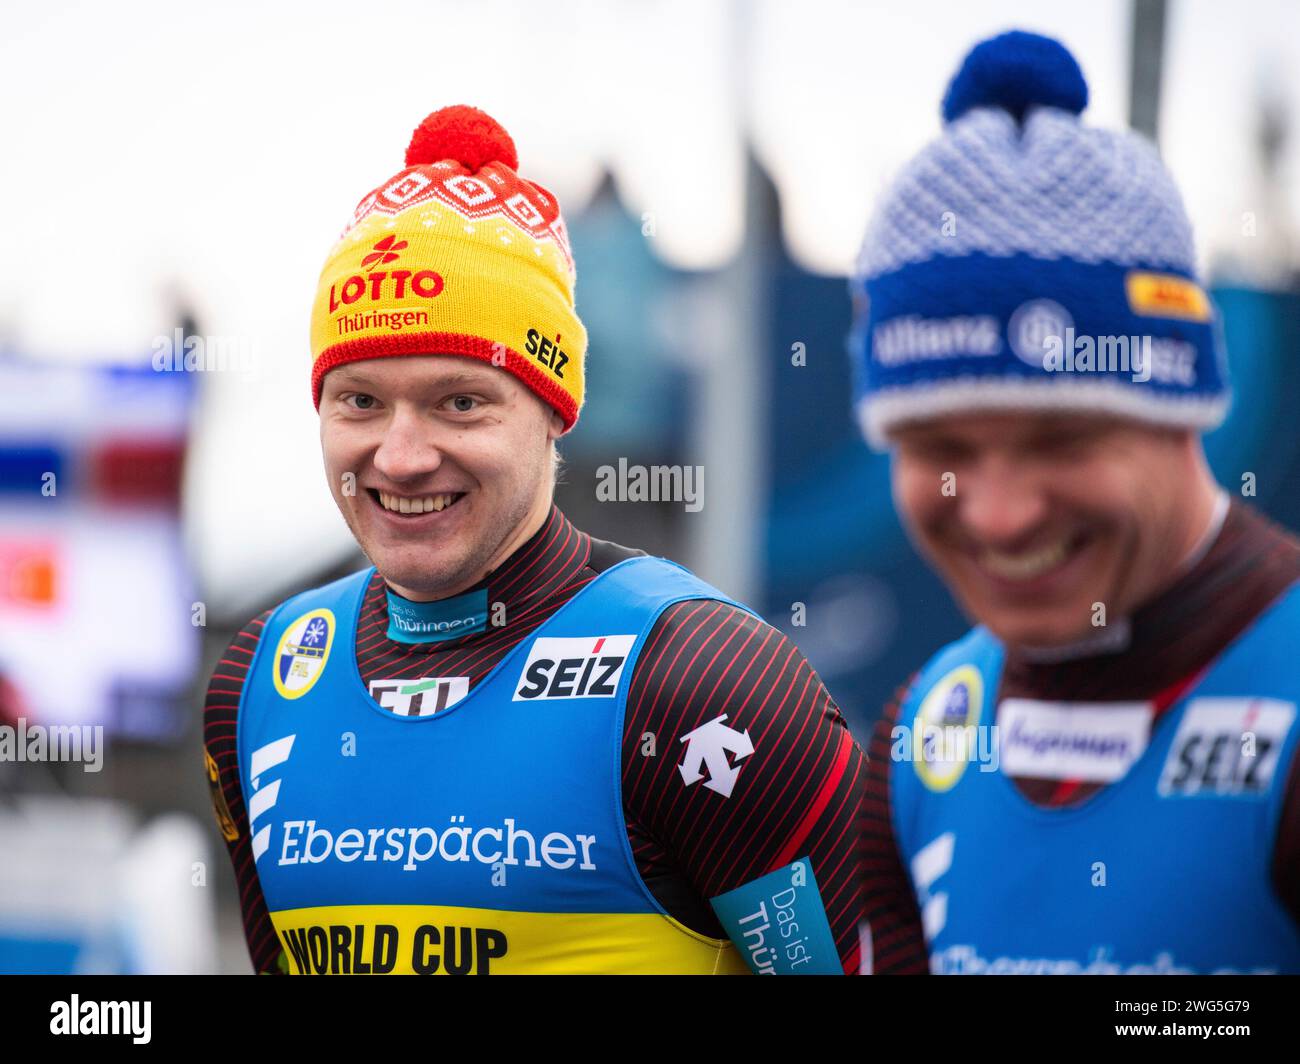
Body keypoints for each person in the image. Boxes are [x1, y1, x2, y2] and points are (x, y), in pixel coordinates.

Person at [203, 105, 864, 975]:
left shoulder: (703, 680)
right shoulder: (260, 683)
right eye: (359, 400)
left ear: (555, 411)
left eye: (460, 402)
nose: (400, 457)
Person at [850, 31, 1300, 974]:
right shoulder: (924, 729)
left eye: (1061, 442)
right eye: (940, 451)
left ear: (1186, 413)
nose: (1000, 513)